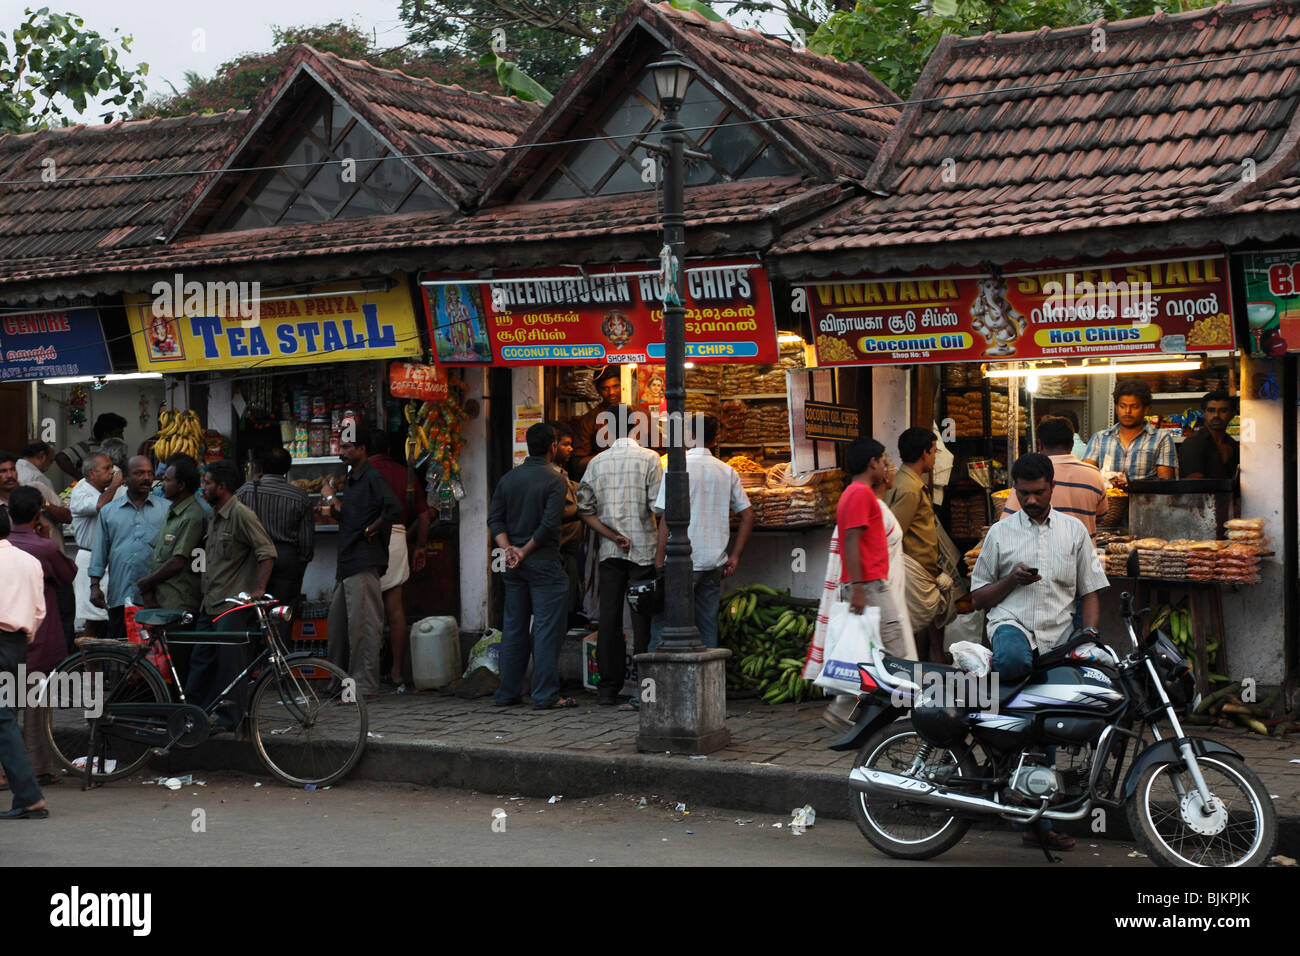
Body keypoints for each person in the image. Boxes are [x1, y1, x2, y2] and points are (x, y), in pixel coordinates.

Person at [970, 452, 1109, 852]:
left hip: (1058, 639)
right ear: (1014, 489)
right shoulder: (1000, 534)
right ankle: (997, 737)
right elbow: (978, 598)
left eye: (1038, 492)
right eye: (1024, 492)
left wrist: (1089, 635)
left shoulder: (1074, 532)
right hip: (1012, 626)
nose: (1031, 500)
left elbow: (1091, 591)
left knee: (1047, 727)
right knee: (1014, 662)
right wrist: (1011, 580)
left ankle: (1035, 820)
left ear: (1052, 487)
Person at [577, 405, 661, 708]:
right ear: (636, 429)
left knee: (609, 621)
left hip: (611, 552)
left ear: (608, 431)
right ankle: (644, 689)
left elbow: (584, 510)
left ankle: (607, 690)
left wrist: (612, 535)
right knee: (643, 622)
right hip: (644, 552)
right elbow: (659, 508)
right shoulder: (650, 459)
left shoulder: (597, 463)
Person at [649, 414, 754, 650]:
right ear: (715, 438)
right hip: (714, 562)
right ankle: (707, 683)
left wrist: (658, 562)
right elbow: (748, 516)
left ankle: (659, 683)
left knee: (664, 627)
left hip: (680, 562)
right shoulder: (727, 471)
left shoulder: (675, 470)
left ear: (689, 435)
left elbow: (666, 518)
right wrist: (734, 556)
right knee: (707, 627)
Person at [487, 422, 573, 709]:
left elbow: (494, 520)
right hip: (543, 562)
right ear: (552, 447)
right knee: (547, 630)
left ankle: (508, 692)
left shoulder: (509, 479)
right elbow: (549, 525)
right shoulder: (555, 479)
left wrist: (508, 549)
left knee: (514, 628)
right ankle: (545, 695)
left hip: (514, 566)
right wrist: (523, 550)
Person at [186, 460, 276, 727]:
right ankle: (195, 716)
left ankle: (232, 719)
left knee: (230, 666)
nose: (203, 488)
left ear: (221, 487)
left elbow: (267, 553)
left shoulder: (241, 514)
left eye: (208, 483)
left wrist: (258, 590)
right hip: (210, 603)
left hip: (231, 605)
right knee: (201, 661)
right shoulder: (215, 515)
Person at [321, 433, 402, 702]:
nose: (341, 451)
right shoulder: (353, 479)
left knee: (364, 628)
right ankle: (340, 685)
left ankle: (363, 687)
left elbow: (393, 509)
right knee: (339, 629)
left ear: (362, 448)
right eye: (340, 447)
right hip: (347, 561)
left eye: (347, 447)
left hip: (364, 560)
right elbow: (352, 518)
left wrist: (371, 530)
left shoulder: (372, 476)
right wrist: (333, 507)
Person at [4, 487, 76, 789]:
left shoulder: (6, 546)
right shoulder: (43, 549)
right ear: (38, 514)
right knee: (36, 709)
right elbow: (68, 575)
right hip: (40, 635)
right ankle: (39, 768)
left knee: (6, 708)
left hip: (7, 638)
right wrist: (46, 538)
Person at [363, 430, 430, 692]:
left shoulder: (362, 472)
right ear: (391, 451)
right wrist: (420, 548)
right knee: (395, 610)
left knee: (368, 611)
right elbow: (424, 516)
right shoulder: (406, 474)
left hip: (368, 539)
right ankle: (398, 673)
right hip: (399, 538)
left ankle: (370, 674)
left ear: (364, 449)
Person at [135, 455, 206, 684]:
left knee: (180, 662)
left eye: (166, 480)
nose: (161, 484)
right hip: (164, 599)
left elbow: (179, 560)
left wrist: (148, 582)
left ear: (181, 485)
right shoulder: (173, 510)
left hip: (181, 601)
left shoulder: (193, 515)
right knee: (167, 663)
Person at [885, 426, 953, 662]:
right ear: (924, 453)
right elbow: (895, 532)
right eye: (934, 451)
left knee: (930, 618)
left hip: (920, 568)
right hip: (913, 570)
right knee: (911, 625)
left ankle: (935, 658)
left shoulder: (902, 480)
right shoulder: (911, 489)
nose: (935, 457)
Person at [235, 446, 314, 651]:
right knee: (282, 617)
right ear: (287, 469)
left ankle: (250, 669)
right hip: (287, 560)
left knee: (252, 615)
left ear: (262, 467)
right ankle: (279, 670)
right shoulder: (299, 496)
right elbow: (306, 543)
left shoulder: (245, 491)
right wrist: (299, 567)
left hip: (254, 561)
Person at [0, 503, 49, 819]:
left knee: (3, 720)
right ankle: (27, 795)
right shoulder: (30, 562)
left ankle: (30, 796)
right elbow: (38, 611)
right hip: (17, 642)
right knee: (5, 718)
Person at [88, 456, 166, 641]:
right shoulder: (109, 512)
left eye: (149, 473)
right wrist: (94, 586)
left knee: (155, 655)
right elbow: (100, 551)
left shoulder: (166, 509)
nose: (146, 478)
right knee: (121, 653)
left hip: (157, 597)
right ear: (125, 478)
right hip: (121, 594)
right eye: (139, 473)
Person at [1002, 416, 1108, 534]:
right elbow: (1100, 516)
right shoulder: (1094, 474)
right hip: (1083, 551)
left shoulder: (1031, 475)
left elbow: (1007, 520)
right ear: (1072, 444)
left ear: (1040, 445)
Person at [1082, 379, 1177, 485]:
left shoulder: (1161, 439)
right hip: (1109, 501)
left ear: (1145, 409)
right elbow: (1086, 477)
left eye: (1134, 407)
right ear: (1116, 407)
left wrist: (1131, 486)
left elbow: (1165, 484)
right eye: (1122, 406)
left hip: (1145, 501)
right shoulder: (1099, 438)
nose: (1127, 412)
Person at [69, 453, 122, 639]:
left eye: (113, 467)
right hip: (90, 559)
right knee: (92, 623)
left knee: (110, 619)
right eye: (107, 468)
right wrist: (115, 485)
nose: (113, 472)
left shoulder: (107, 489)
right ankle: (92, 667)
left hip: (110, 559)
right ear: (91, 473)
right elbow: (100, 506)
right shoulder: (81, 491)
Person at [551, 423, 584, 625]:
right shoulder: (552, 477)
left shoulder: (563, 475)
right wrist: (584, 510)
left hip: (569, 551)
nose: (571, 449)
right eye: (566, 444)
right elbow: (556, 512)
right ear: (553, 446)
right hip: (559, 551)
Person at [568, 367, 623, 480]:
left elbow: (659, 453)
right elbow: (577, 463)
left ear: (623, 384)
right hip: (603, 480)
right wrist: (610, 458)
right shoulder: (589, 421)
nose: (611, 392)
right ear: (597, 389)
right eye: (605, 388)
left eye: (615, 386)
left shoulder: (641, 415)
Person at [1179, 390, 1240, 480]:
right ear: (1204, 413)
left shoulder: (1232, 444)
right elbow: (1193, 484)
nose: (1216, 415)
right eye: (1211, 410)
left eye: (1223, 411)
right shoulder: (1194, 443)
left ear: (1232, 414)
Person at [55, 412, 126, 481]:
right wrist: (81, 478)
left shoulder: (117, 448)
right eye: (118, 433)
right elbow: (61, 457)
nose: (122, 437)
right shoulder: (87, 446)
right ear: (106, 433)